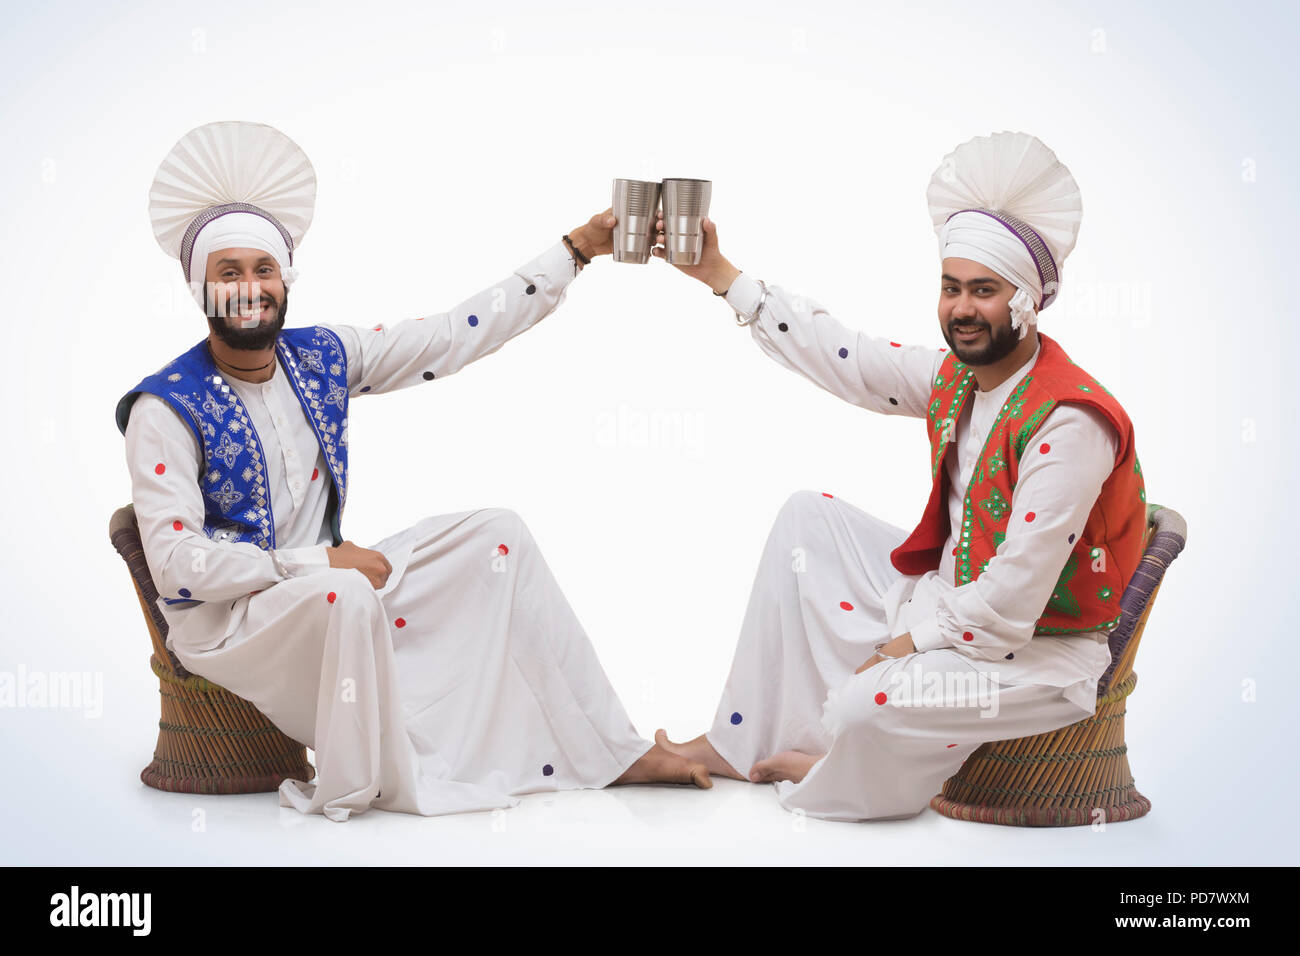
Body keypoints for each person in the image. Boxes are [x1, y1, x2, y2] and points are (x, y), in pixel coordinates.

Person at [116, 120, 708, 823]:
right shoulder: (166, 406)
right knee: (344, 593)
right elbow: (180, 567)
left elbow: (451, 335)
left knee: (497, 536)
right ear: (200, 289)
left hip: (327, 587)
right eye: (229, 272)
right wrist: (317, 563)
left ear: (285, 278)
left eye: (263, 269)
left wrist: (576, 250)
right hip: (229, 621)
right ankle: (379, 780)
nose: (250, 287)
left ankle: (613, 748)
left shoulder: (323, 356)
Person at [652, 131, 1148, 821]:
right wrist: (722, 277)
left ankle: (835, 766)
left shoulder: (1070, 422)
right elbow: (849, 358)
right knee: (808, 518)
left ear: (1029, 302)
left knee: (870, 702)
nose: (962, 309)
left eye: (984, 291)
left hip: (1039, 653)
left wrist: (907, 643)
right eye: (951, 288)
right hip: (954, 598)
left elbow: (1010, 603)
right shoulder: (960, 379)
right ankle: (740, 741)